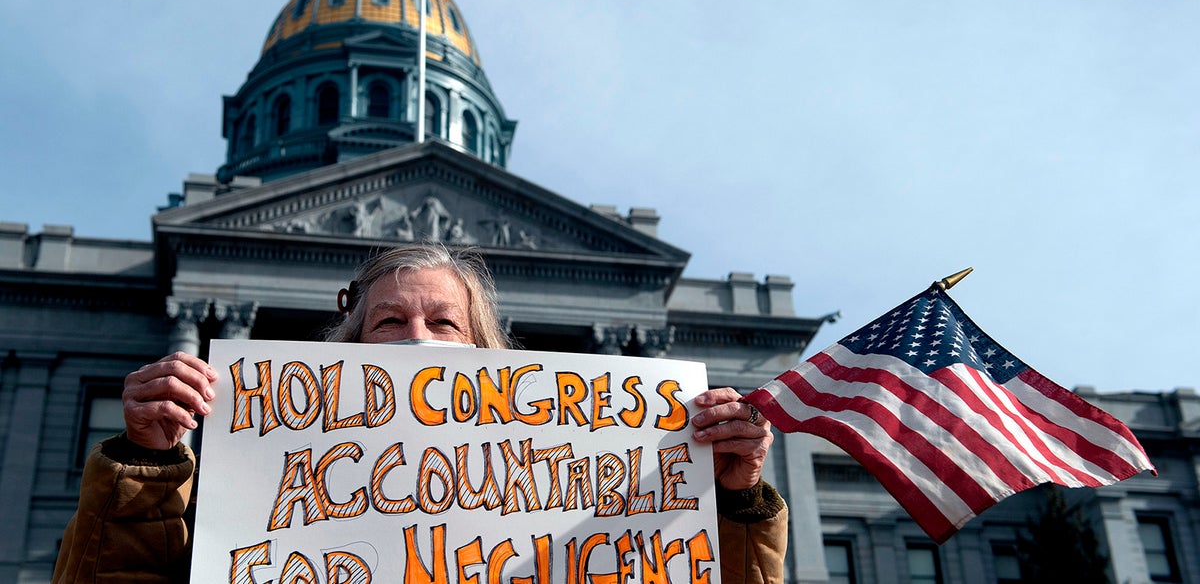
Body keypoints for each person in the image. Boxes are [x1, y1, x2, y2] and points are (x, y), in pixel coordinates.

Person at [53, 244, 787, 584]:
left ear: (488, 355)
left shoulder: (566, 508)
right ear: (344, 351)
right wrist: (147, 462)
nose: (417, 343)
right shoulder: (248, 503)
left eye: (444, 324)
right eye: (388, 323)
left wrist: (732, 500)